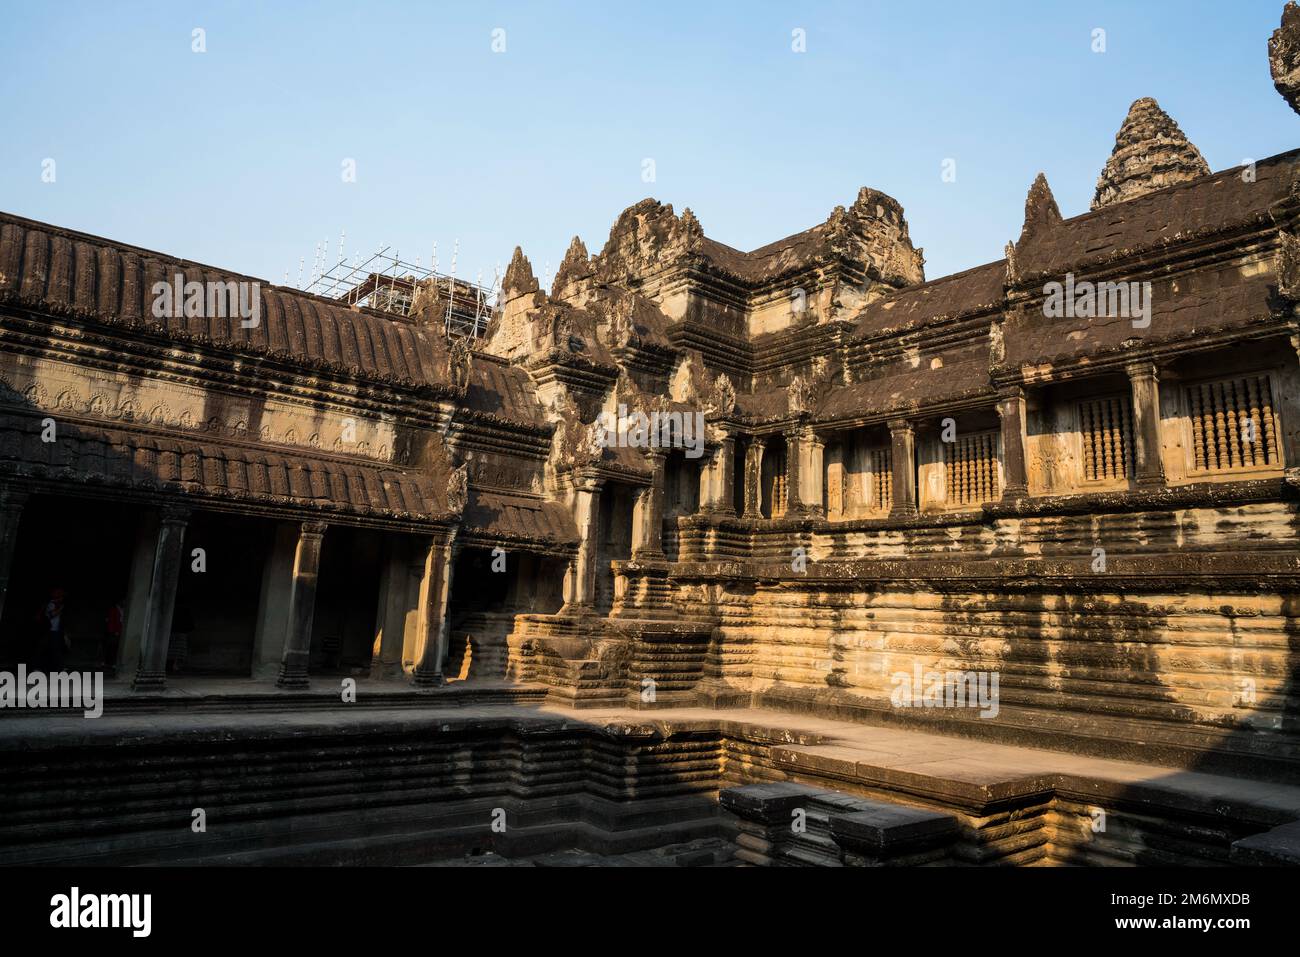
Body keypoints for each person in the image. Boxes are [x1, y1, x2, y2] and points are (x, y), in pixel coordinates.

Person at [34, 586, 68, 673]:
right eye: (60, 596)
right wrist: (61, 608)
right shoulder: (51, 604)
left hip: (55, 630)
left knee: (55, 649)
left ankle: (57, 667)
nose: (61, 598)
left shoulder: (56, 604)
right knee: (46, 648)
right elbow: (52, 614)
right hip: (49, 630)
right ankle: (38, 667)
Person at [103, 598, 124, 678]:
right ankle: (109, 662)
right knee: (112, 646)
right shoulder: (114, 610)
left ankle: (112, 662)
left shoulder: (121, 609)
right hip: (114, 631)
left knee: (115, 647)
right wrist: (114, 631)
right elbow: (111, 621)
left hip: (119, 630)